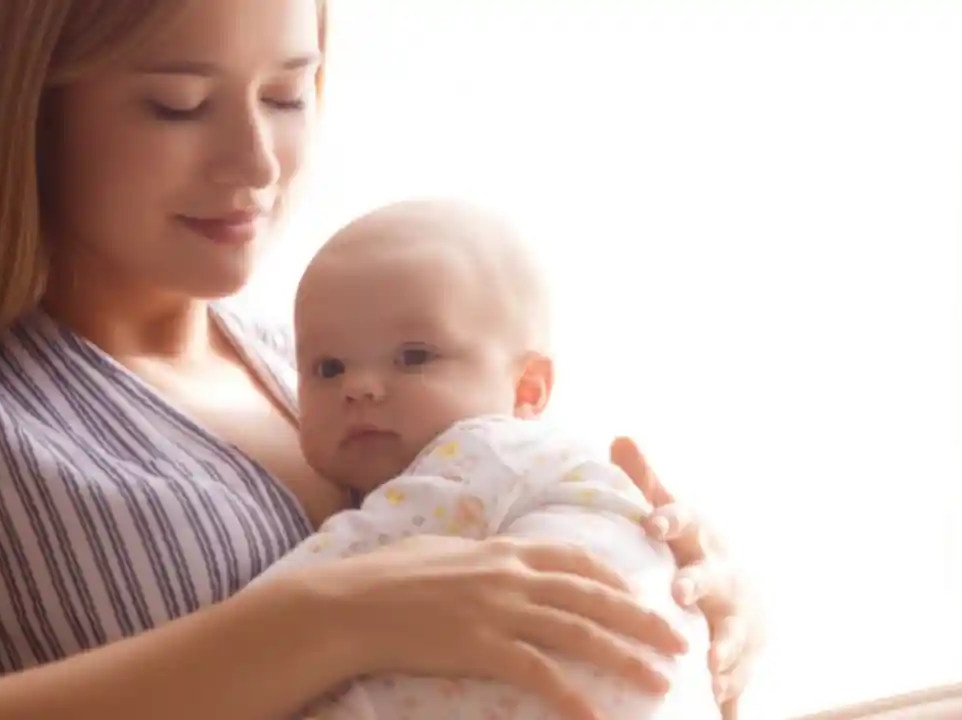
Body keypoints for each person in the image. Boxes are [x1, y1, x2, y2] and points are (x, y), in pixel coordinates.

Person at [0, 2, 758, 719]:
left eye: (289, 95)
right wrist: (329, 621)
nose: (255, 164)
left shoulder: (333, 360)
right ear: (29, 111)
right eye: (179, 104)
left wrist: (677, 593)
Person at [251, 198, 720, 719]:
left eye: (414, 357)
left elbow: (338, 571)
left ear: (528, 388)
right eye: (328, 367)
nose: (358, 386)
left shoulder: (485, 450)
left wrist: (232, 626)